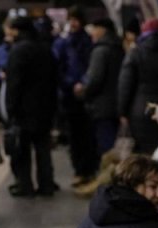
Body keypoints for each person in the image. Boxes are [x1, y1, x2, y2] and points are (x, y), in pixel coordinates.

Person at [3, 15, 56, 198]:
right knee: (43, 149)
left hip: (24, 110)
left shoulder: (18, 51)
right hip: (45, 107)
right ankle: (47, 185)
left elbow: (14, 84)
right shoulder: (45, 48)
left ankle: (25, 186)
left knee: (22, 151)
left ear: (17, 30)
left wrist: (11, 109)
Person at [73, 15, 121, 196]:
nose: (92, 32)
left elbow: (95, 79)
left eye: (94, 28)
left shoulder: (101, 51)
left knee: (106, 150)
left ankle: (106, 189)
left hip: (102, 106)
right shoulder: (118, 47)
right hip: (115, 105)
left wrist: (82, 91)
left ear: (102, 30)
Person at [116, 18, 158, 155]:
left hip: (140, 112)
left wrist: (122, 112)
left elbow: (125, 86)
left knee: (146, 154)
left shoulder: (135, 55)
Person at [56, 6, 95, 188]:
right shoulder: (64, 44)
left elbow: (92, 67)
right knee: (75, 136)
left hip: (88, 96)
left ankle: (89, 169)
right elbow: (59, 69)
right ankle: (79, 170)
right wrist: (72, 84)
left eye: (76, 19)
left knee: (88, 134)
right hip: (70, 97)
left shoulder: (88, 42)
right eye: (70, 19)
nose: (73, 23)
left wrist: (84, 83)